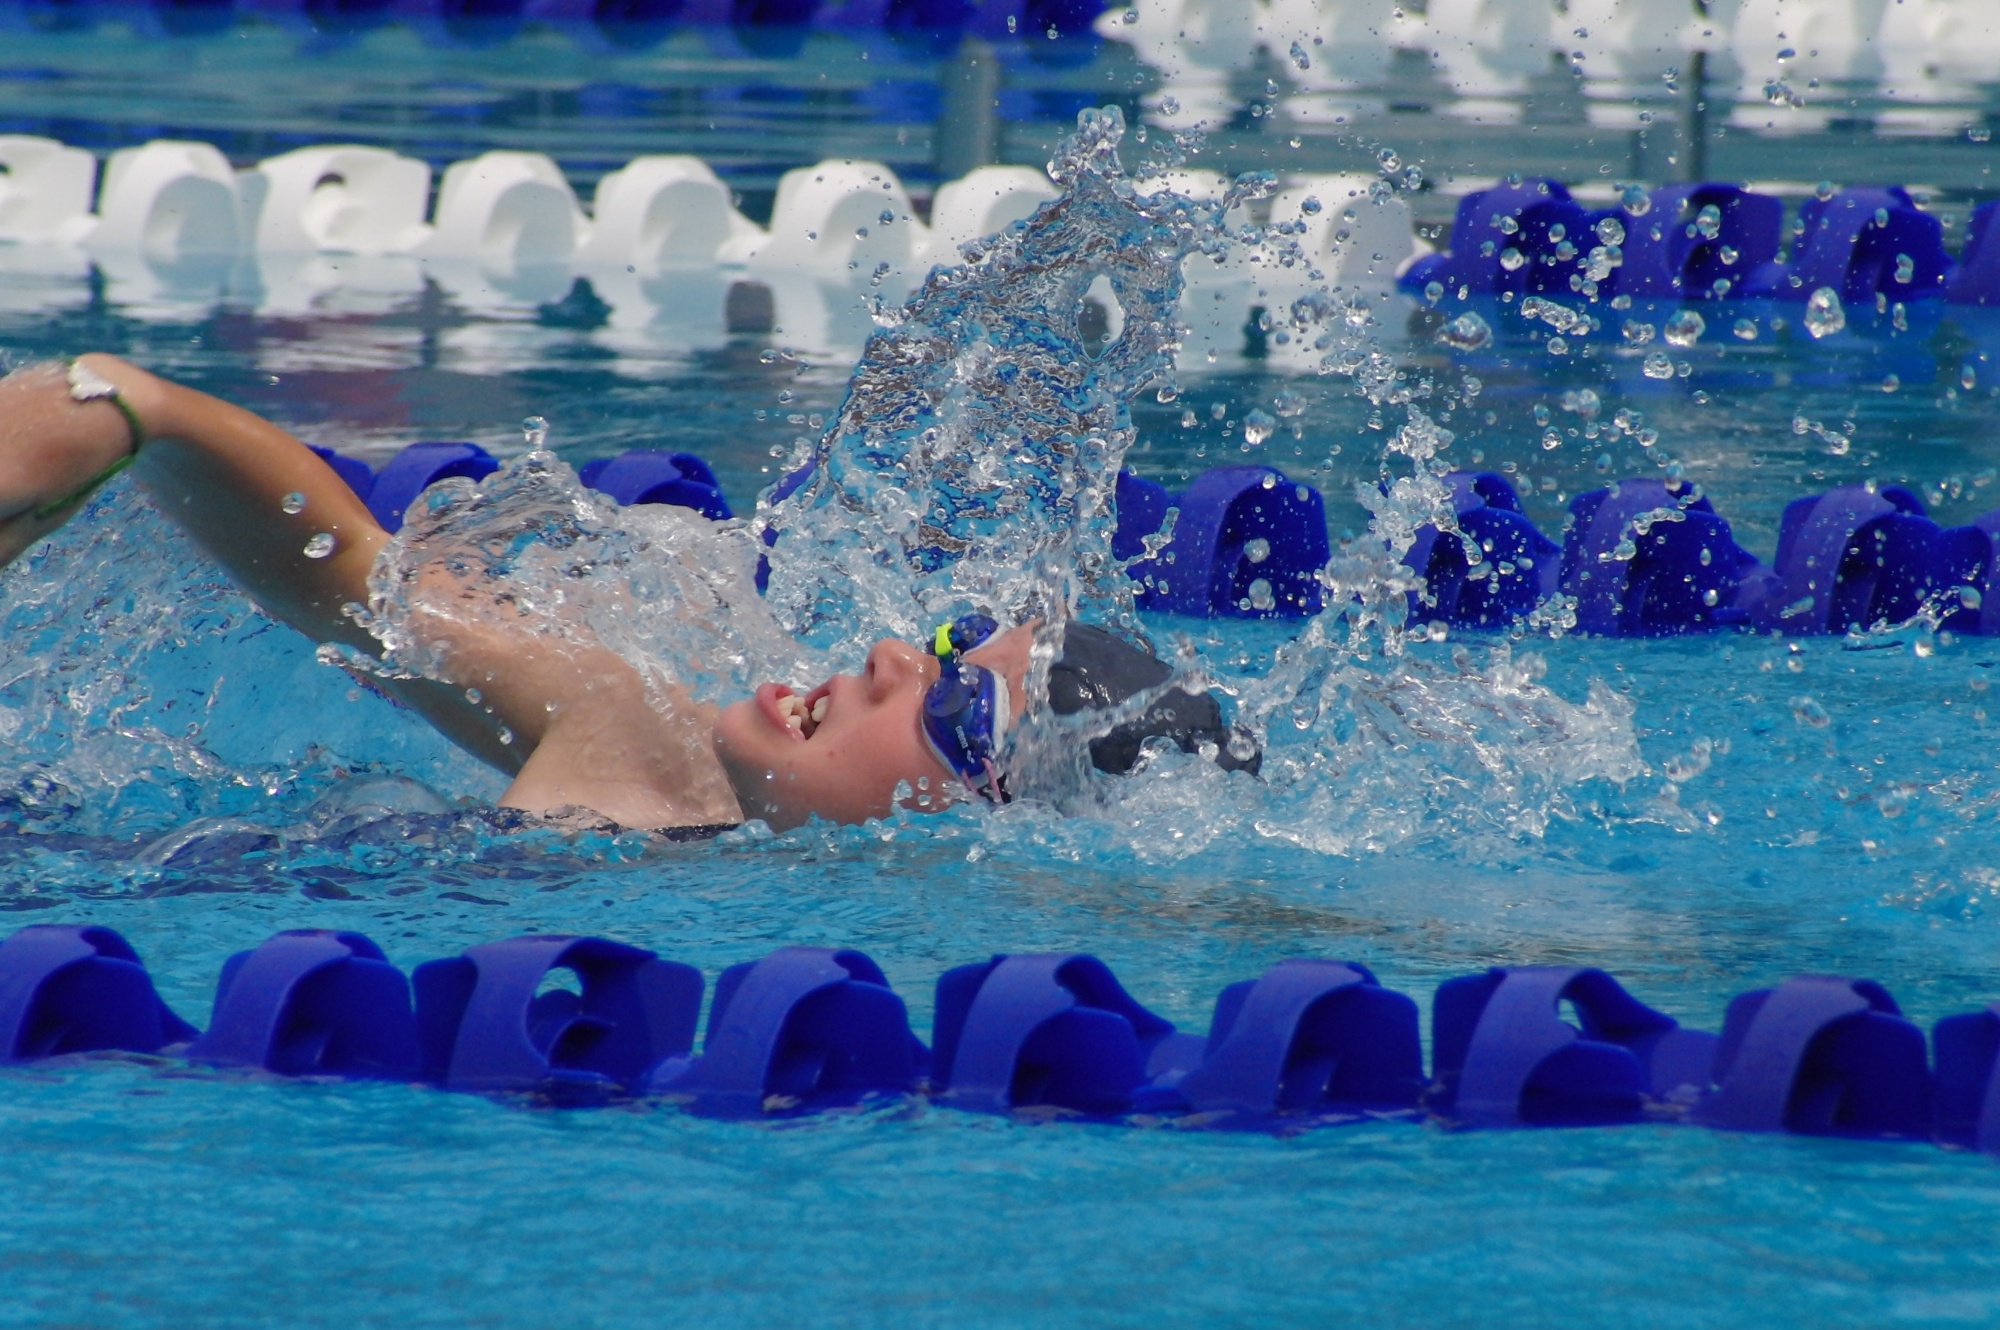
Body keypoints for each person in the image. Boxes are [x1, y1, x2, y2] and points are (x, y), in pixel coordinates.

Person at [0, 355, 1254, 835]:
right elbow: (352, 580)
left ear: (998, 824)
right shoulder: (638, 734)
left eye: (955, 712)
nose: (884, 653)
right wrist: (140, 415)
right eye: (943, 642)